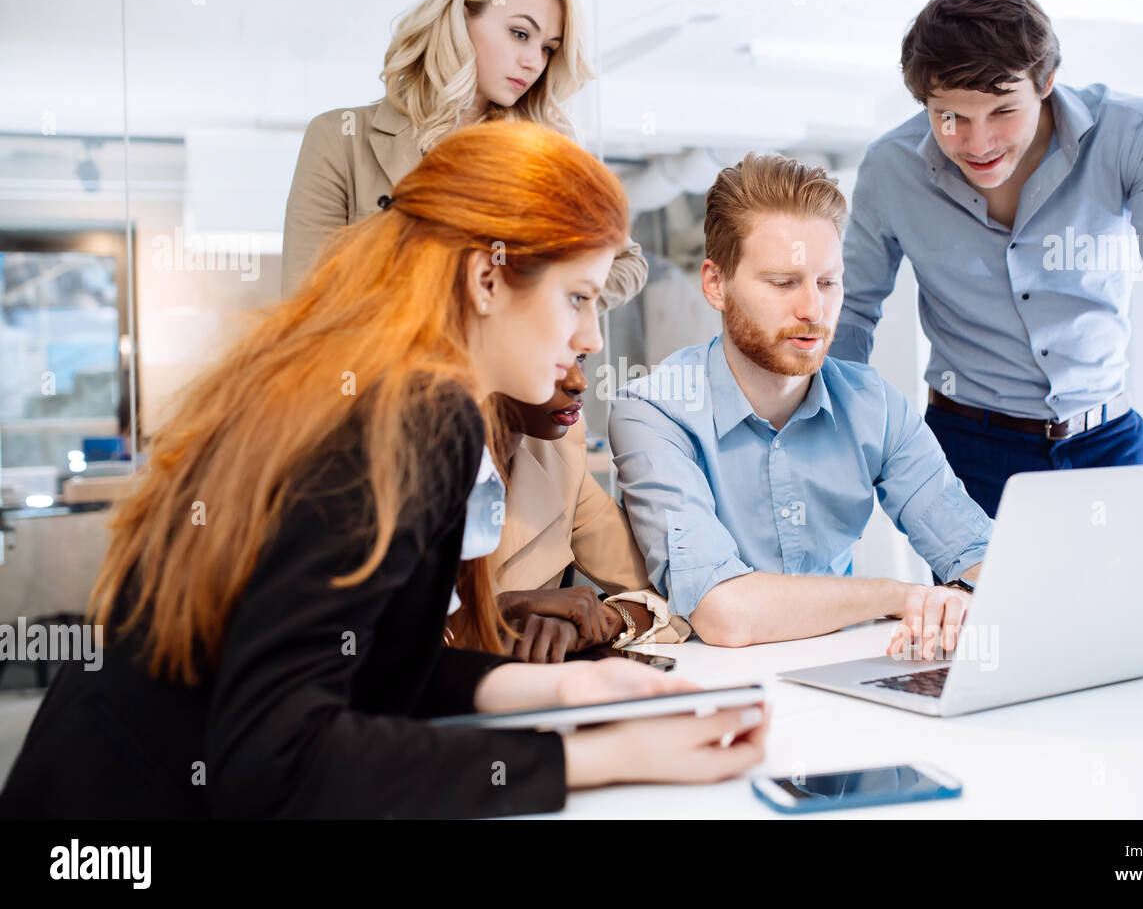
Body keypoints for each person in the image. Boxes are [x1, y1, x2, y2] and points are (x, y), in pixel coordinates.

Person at [0, 121, 765, 820]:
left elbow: (362, 664)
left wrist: (565, 687)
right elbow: (279, 758)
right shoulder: (407, 418)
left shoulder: (376, 387)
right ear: (487, 279)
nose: (592, 337)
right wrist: (593, 757)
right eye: (577, 297)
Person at [827, 0, 1143, 571]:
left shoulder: (1130, 132)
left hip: (1110, 445)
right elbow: (850, 314)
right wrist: (833, 447)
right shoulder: (892, 169)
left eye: (1002, 111)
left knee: (1126, 640)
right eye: (951, 118)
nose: (978, 143)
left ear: (1045, 83)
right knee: (982, 646)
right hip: (967, 451)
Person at [609, 152, 990, 654]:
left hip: (836, 670)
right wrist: (901, 596)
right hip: (709, 692)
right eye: (784, 282)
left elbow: (979, 553)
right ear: (716, 284)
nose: (814, 310)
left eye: (827, 282)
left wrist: (973, 587)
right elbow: (725, 614)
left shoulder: (874, 406)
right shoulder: (655, 411)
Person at [281, 0, 648, 312]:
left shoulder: (544, 155)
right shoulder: (339, 137)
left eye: (548, 49)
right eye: (520, 34)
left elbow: (627, 263)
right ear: (459, 18)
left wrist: (530, 306)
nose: (534, 62)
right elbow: (303, 304)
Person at [448, 354, 691, 663]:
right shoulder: (408, 452)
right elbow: (379, 636)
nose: (580, 382)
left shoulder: (558, 454)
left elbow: (677, 597)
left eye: (580, 358)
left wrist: (597, 622)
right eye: (554, 356)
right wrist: (494, 615)